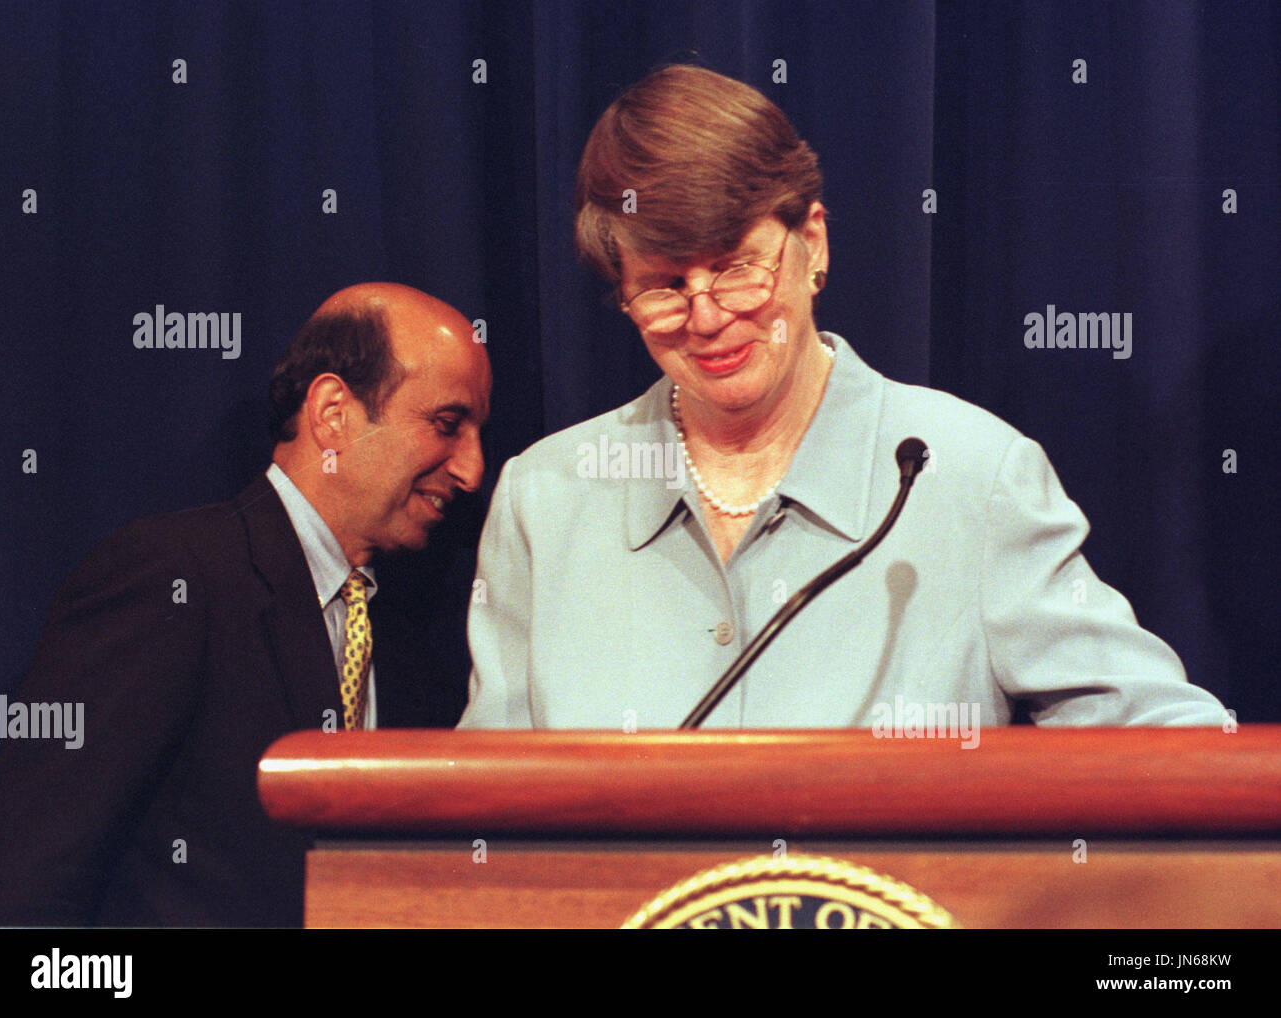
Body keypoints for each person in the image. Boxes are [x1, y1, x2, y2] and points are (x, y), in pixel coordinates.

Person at [459, 65, 1225, 730]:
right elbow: (485, 815)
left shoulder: (972, 479)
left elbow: (1166, 749)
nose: (706, 316)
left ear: (813, 243)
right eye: (663, 286)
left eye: (735, 266)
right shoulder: (547, 500)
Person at [0, 283, 491, 926]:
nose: (473, 469)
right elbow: (21, 882)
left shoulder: (411, 629)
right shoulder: (173, 578)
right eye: (447, 424)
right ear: (333, 412)